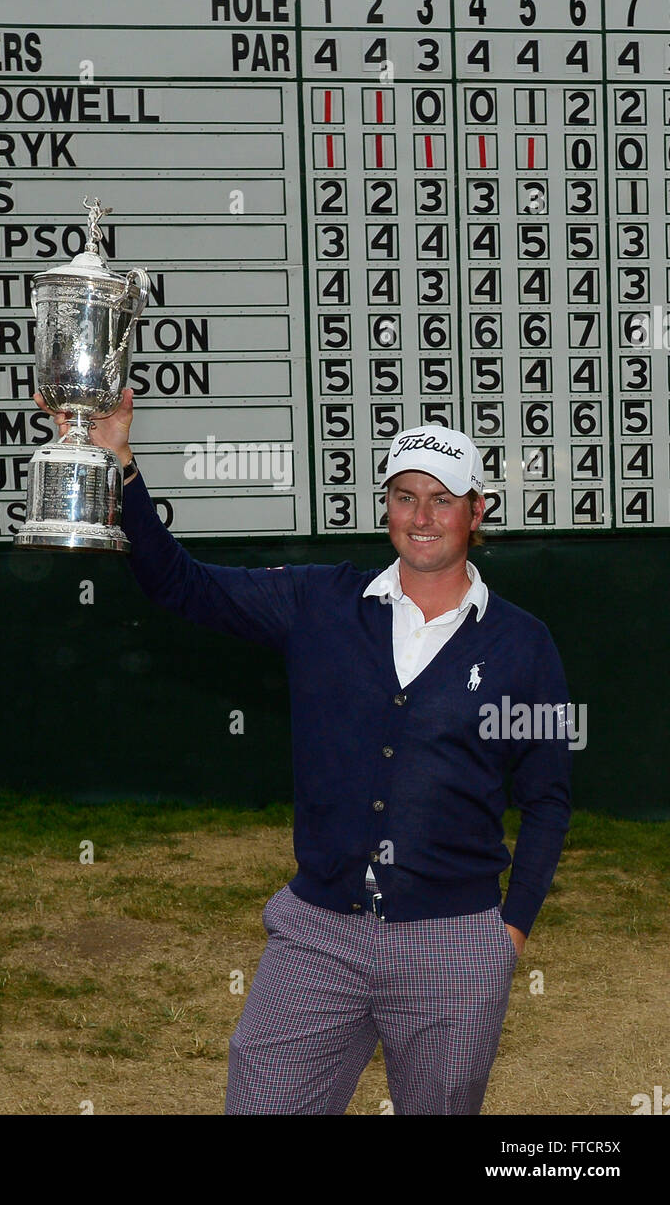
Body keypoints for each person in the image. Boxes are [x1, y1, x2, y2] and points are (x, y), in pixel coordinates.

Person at [34, 393, 574, 1116]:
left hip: (455, 940)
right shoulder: (320, 603)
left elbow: (547, 796)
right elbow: (177, 583)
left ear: (477, 514)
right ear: (386, 507)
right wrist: (120, 463)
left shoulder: (524, 642)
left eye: (444, 500)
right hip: (319, 934)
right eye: (406, 496)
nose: (422, 516)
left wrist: (510, 931)